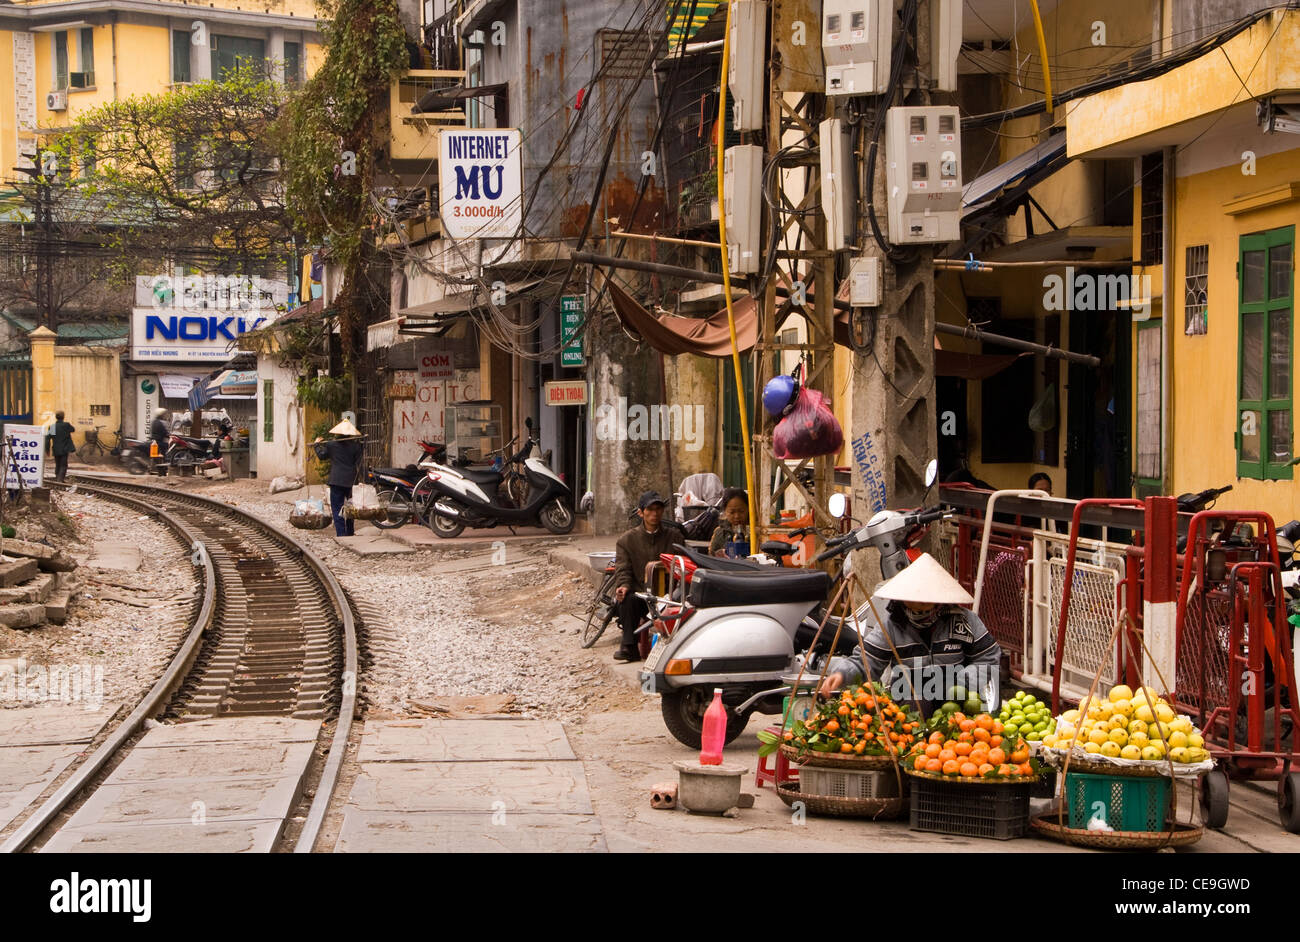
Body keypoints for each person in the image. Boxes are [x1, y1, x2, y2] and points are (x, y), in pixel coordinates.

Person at [819, 553, 1002, 716]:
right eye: (911, 602)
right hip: (910, 706)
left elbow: (988, 658)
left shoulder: (964, 621)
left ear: (938, 601)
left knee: (985, 707)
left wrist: (959, 684)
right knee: (916, 702)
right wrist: (842, 674)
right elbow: (865, 661)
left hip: (958, 702)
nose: (916, 608)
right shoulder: (892, 626)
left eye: (923, 603)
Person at [612, 491, 678, 663]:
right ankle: (629, 646)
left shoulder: (674, 537)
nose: (654, 513)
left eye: (658, 509)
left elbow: (681, 566)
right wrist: (624, 586)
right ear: (641, 512)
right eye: (650, 510)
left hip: (668, 596)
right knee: (626, 598)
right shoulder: (627, 540)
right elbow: (623, 568)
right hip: (642, 596)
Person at [313, 420, 365, 537]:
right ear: (350, 434)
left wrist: (316, 444)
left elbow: (322, 456)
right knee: (350, 508)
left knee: (337, 509)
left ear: (337, 433)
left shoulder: (331, 445)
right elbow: (359, 463)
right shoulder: (356, 446)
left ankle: (341, 534)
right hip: (351, 481)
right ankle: (350, 532)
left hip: (336, 481)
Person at [709, 488, 750, 557]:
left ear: (749, 509)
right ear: (725, 511)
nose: (737, 516)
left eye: (741, 511)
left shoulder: (758, 532)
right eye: (732, 512)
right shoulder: (720, 533)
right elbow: (711, 556)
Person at [47, 411, 76, 483]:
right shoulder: (66, 425)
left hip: (56, 449)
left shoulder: (52, 427)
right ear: (63, 417)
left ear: (56, 417)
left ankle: (57, 478)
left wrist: (47, 450)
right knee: (63, 465)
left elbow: (48, 439)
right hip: (64, 449)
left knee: (58, 464)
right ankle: (60, 479)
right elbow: (73, 429)